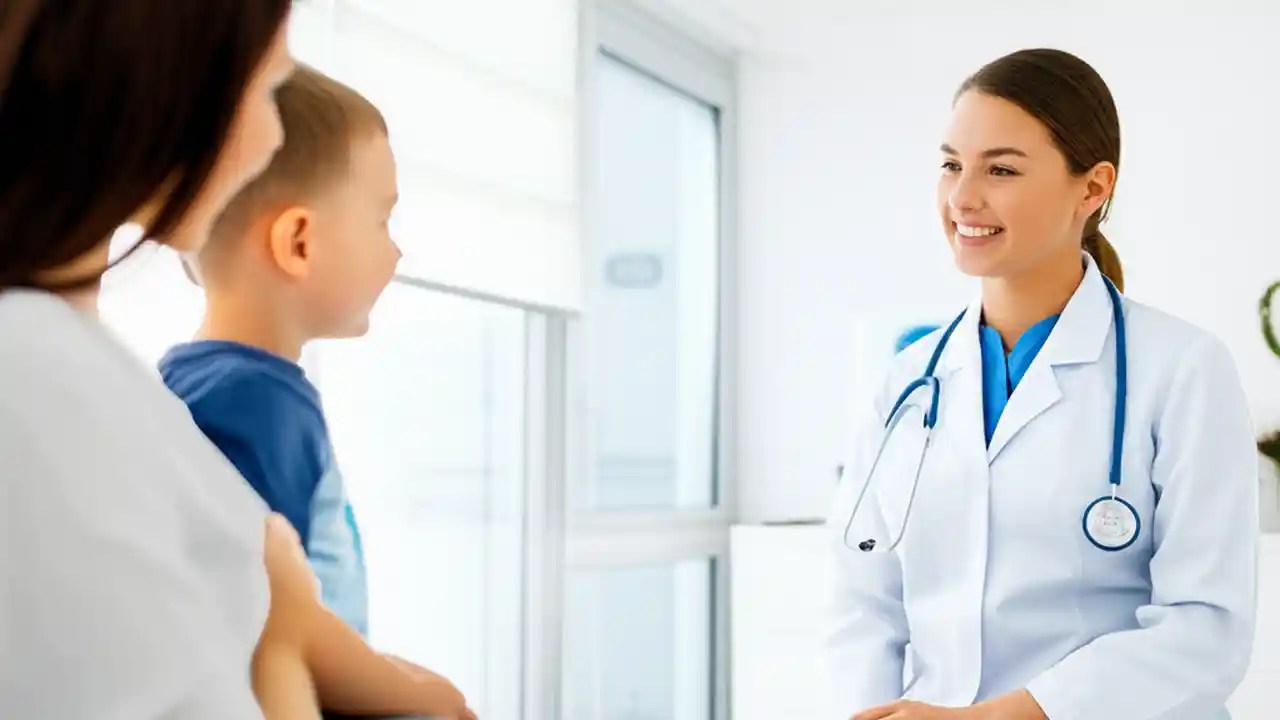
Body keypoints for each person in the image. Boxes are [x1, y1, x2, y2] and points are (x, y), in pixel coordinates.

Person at [825, 48, 1258, 720]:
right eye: (950, 165)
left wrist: (1005, 716)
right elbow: (863, 599)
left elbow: (1205, 629)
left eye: (1000, 169)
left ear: (1093, 187)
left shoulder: (1183, 369)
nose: (963, 197)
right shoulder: (909, 381)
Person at [0, 2, 306, 717]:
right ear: (164, 87)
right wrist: (283, 640)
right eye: (266, 91)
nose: (273, 136)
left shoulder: (71, 362)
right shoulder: (34, 374)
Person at [160, 65, 473, 720]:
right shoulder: (259, 404)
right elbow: (273, 618)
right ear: (299, 242)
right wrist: (424, 694)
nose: (396, 253)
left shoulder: (188, 382)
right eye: (384, 220)